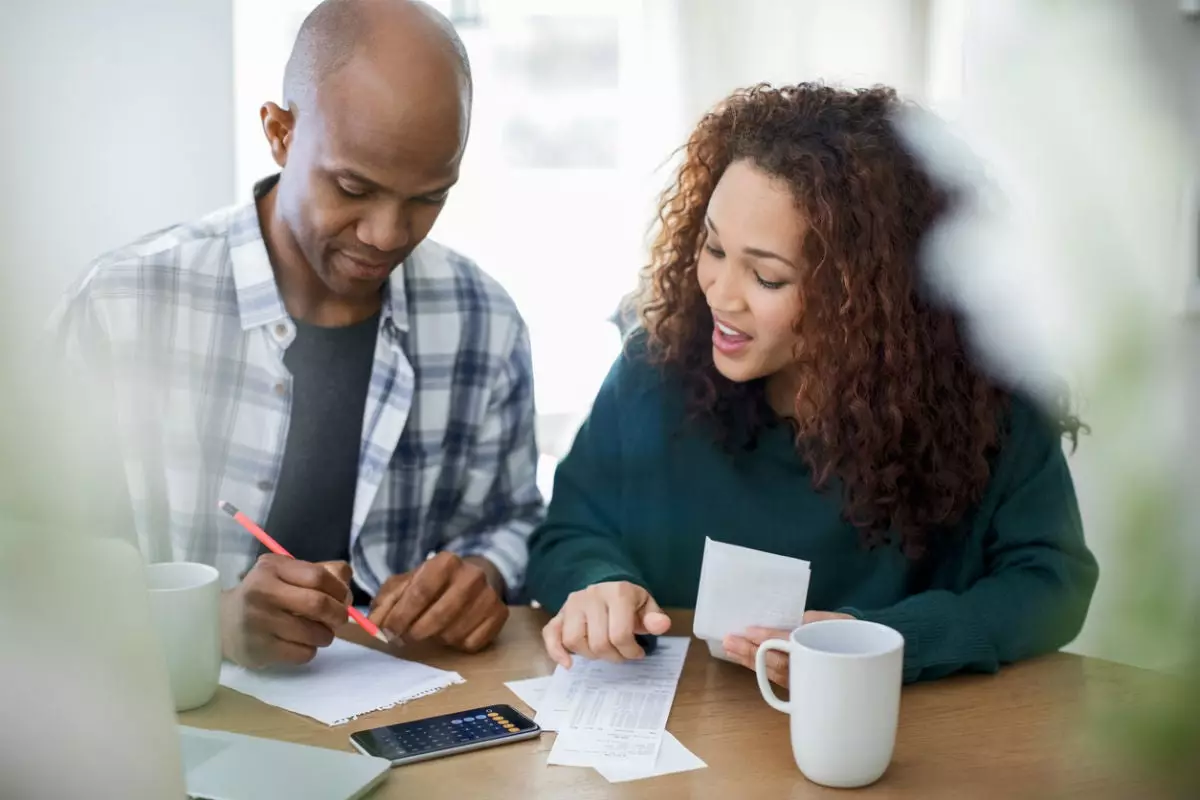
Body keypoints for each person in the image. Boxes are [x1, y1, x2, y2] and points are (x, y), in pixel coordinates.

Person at [525, 83, 1099, 685]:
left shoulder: (986, 405)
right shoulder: (656, 366)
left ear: (870, 299)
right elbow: (569, 530)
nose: (718, 293)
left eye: (767, 277)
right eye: (713, 247)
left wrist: (885, 644)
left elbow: (1049, 584)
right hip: (682, 744)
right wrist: (597, 584)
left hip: (895, 742)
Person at [50, 0, 543, 668]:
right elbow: (33, 570)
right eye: (352, 187)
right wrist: (206, 623)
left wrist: (483, 575)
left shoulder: (484, 321)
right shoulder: (123, 309)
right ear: (280, 133)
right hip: (175, 736)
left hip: (411, 725)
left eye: (429, 197)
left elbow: (513, 519)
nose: (387, 234)